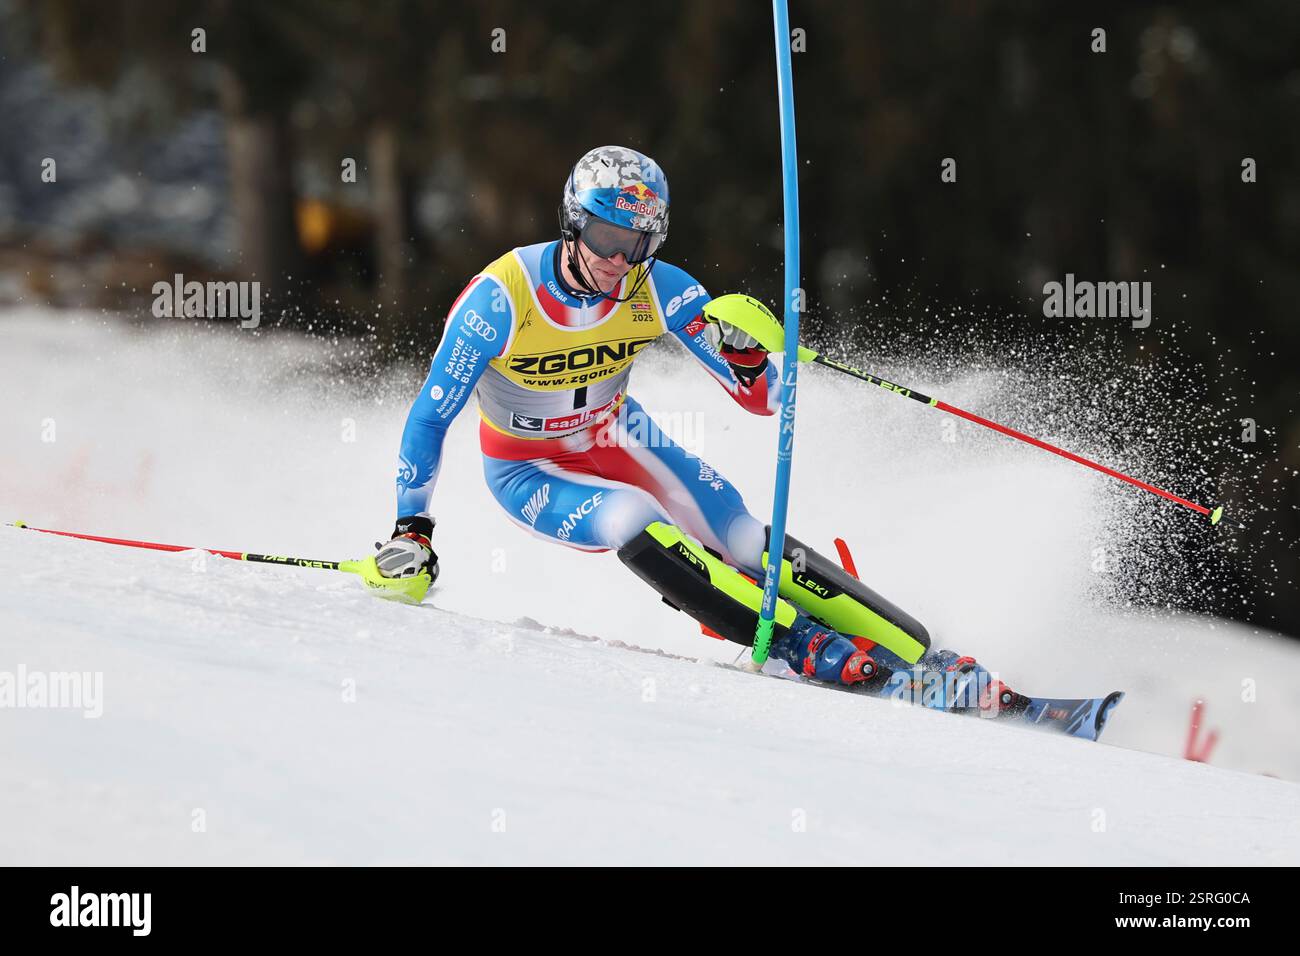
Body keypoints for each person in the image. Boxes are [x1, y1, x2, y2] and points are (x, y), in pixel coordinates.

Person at [362, 145, 993, 703]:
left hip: (618, 436)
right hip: (529, 467)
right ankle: (802, 646)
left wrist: (751, 359)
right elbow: (430, 416)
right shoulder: (502, 297)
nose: (620, 260)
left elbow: (761, 399)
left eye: (639, 242)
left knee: (741, 536)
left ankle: (911, 649)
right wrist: (412, 528)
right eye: (608, 237)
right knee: (634, 519)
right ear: (574, 222)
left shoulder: (659, 287)